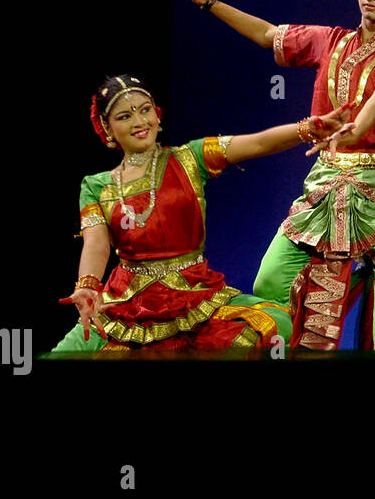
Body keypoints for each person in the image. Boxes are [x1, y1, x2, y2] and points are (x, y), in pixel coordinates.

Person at [175, 0, 375, 350]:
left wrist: (355, 128)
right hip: (327, 181)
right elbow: (267, 34)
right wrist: (207, 1)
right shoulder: (328, 41)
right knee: (270, 283)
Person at [56, 75, 351, 353]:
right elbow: (96, 244)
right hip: (125, 304)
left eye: (145, 110)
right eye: (124, 116)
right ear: (107, 129)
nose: (139, 121)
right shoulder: (97, 185)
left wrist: (308, 130)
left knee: (277, 325)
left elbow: (259, 142)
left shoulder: (189, 158)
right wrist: (88, 286)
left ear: (157, 115)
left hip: (195, 295)